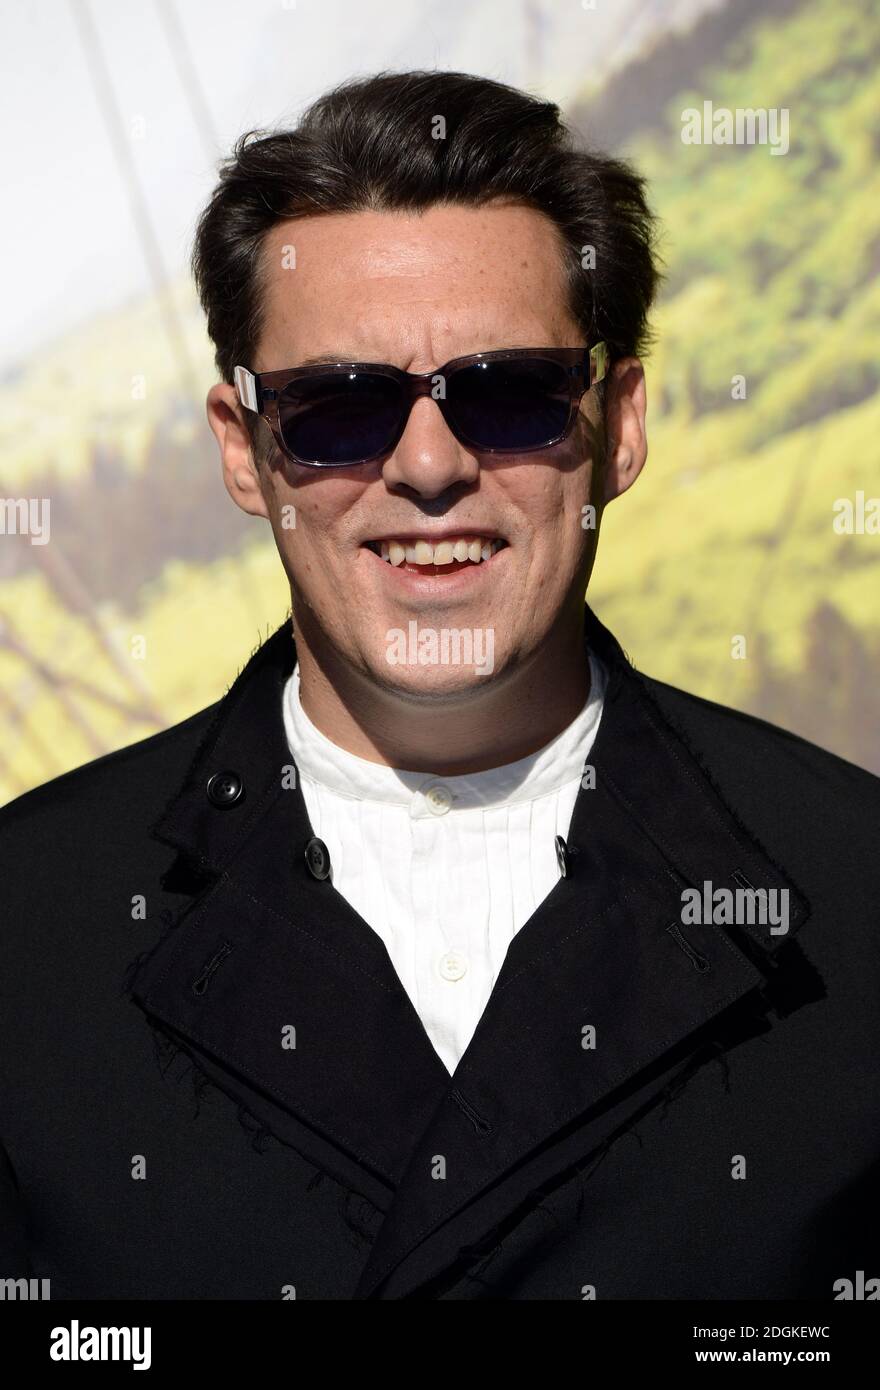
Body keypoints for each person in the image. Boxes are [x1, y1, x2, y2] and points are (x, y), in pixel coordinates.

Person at [1, 69, 878, 1302]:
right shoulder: (26, 927)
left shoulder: (854, 895)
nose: (427, 464)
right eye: (338, 409)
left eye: (508, 391)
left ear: (619, 424)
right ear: (244, 451)